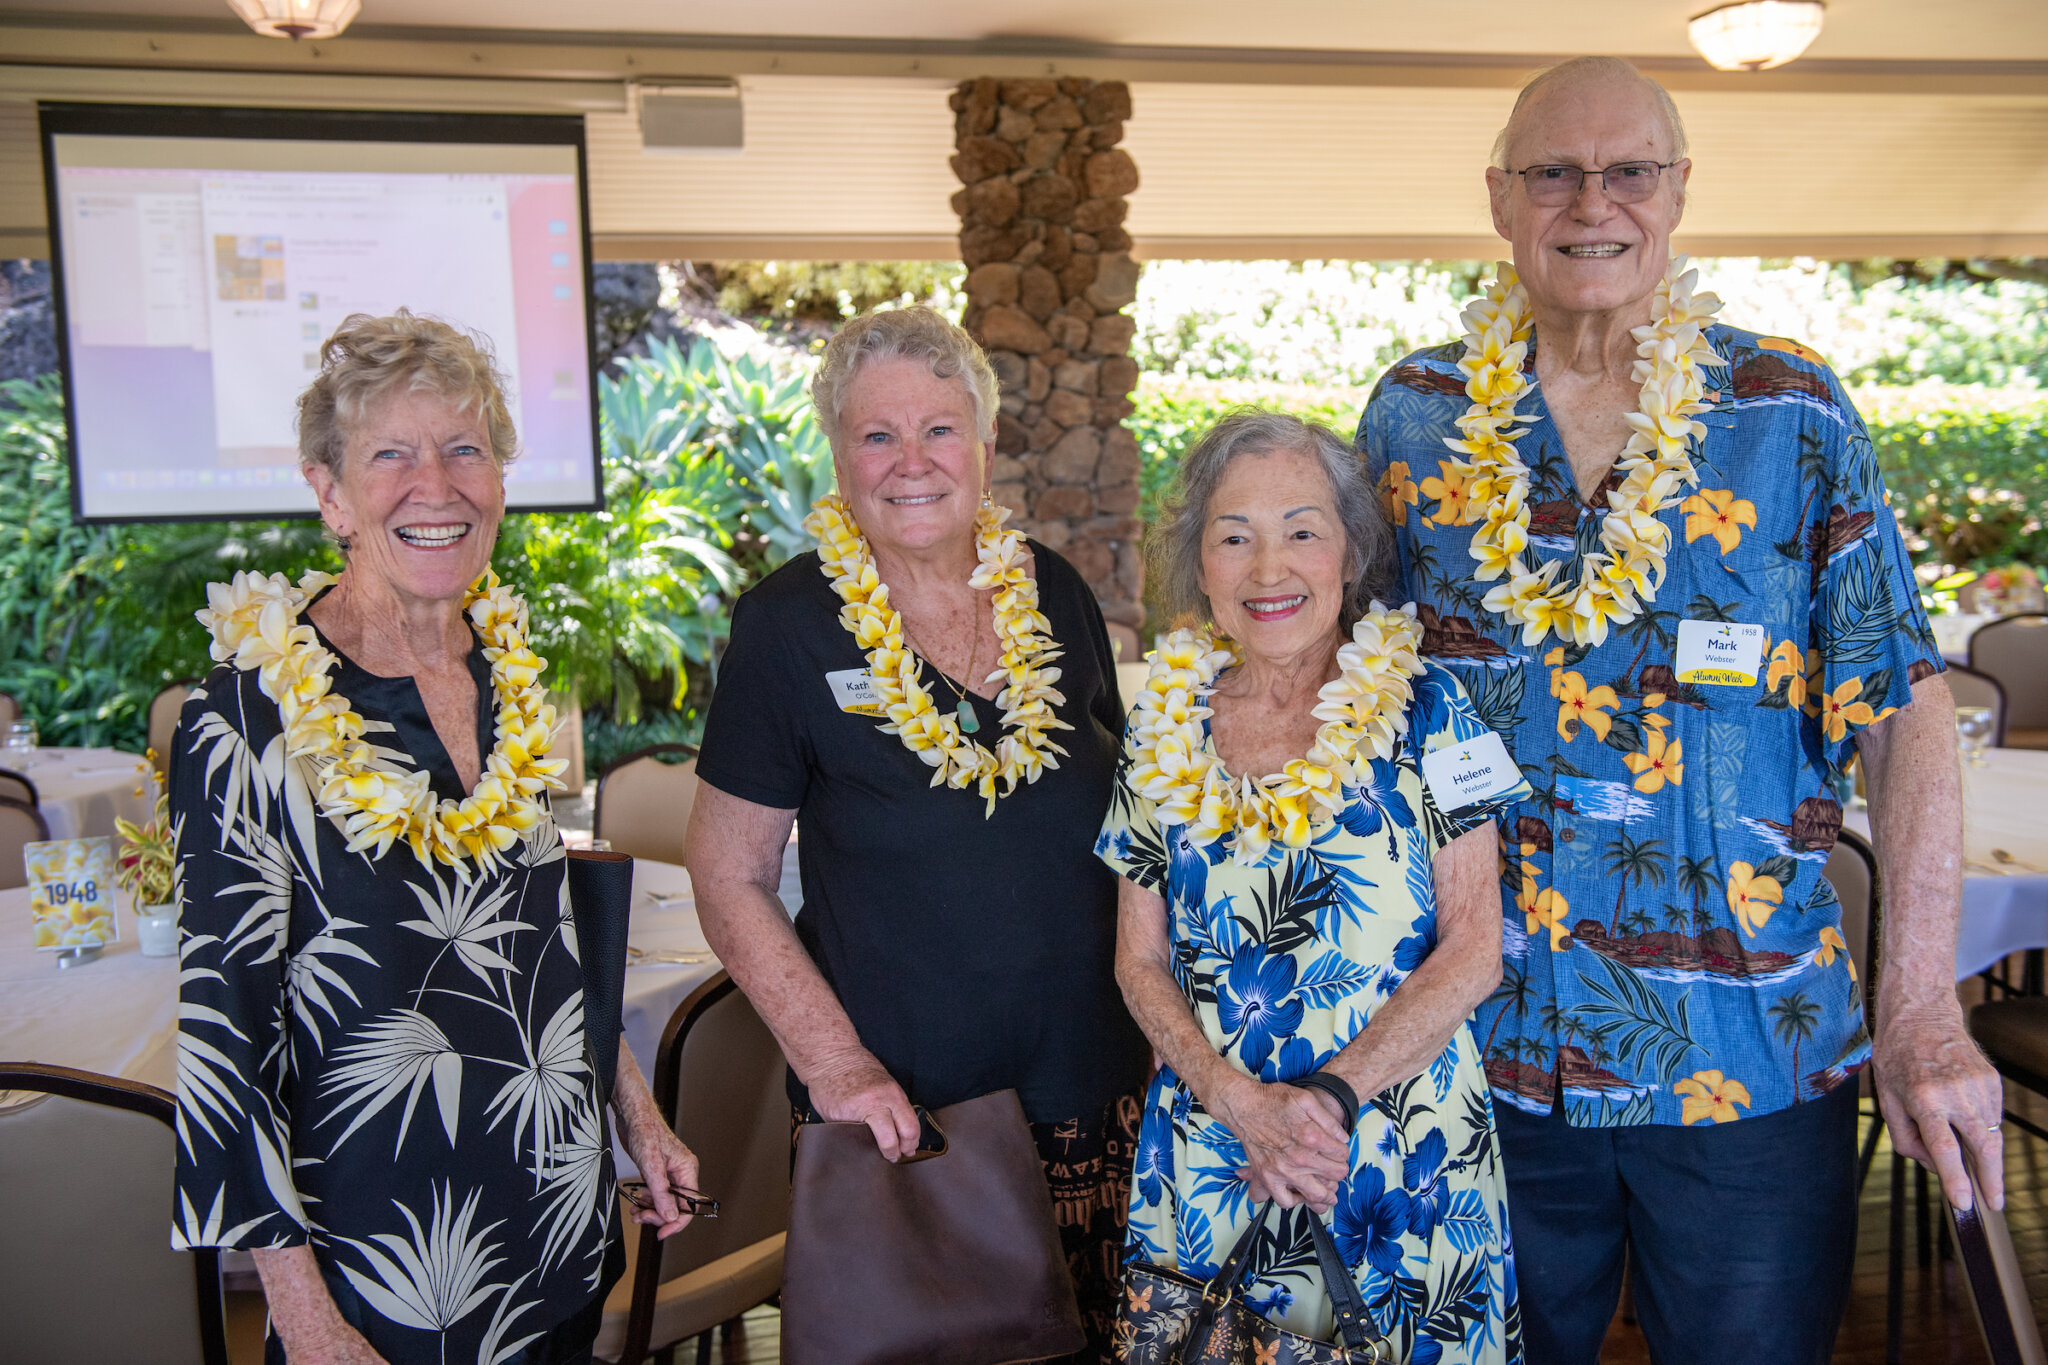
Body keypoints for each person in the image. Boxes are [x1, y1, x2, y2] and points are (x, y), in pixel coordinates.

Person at [1355, 56, 2004, 1364]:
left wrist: (1924, 1001)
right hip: (1477, 1058)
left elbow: (1907, 709)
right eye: (1554, 171)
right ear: (1500, 198)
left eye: (1628, 170)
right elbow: (1355, 709)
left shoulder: (1790, 412)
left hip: (1748, 1065)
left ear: (1679, 191)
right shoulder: (1414, 419)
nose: (1592, 201)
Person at [170, 311, 700, 1365]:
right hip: (386, 1263)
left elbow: (543, 934)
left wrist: (634, 1116)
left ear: (499, 478)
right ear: (329, 493)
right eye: (391, 455)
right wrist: (308, 1319)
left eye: (465, 449)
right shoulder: (246, 716)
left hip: (554, 1222)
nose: (437, 484)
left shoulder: (503, 669)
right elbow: (224, 1042)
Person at [686, 306, 1151, 1360]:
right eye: (875, 435)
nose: (911, 463)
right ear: (838, 457)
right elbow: (728, 876)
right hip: (907, 1110)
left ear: (982, 448)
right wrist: (835, 1066)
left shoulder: (1054, 590)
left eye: (938, 430)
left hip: (1097, 1091)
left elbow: (1132, 832)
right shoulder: (786, 626)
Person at [1099, 412, 1525, 1362]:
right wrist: (1239, 1102)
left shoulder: (1434, 708)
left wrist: (1321, 1103)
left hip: (1395, 1151)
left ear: (1349, 551)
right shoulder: (1157, 724)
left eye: (1301, 530)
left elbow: (1475, 948)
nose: (1268, 568)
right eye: (1234, 536)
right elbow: (1137, 959)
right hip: (1218, 1151)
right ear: (1198, 563)